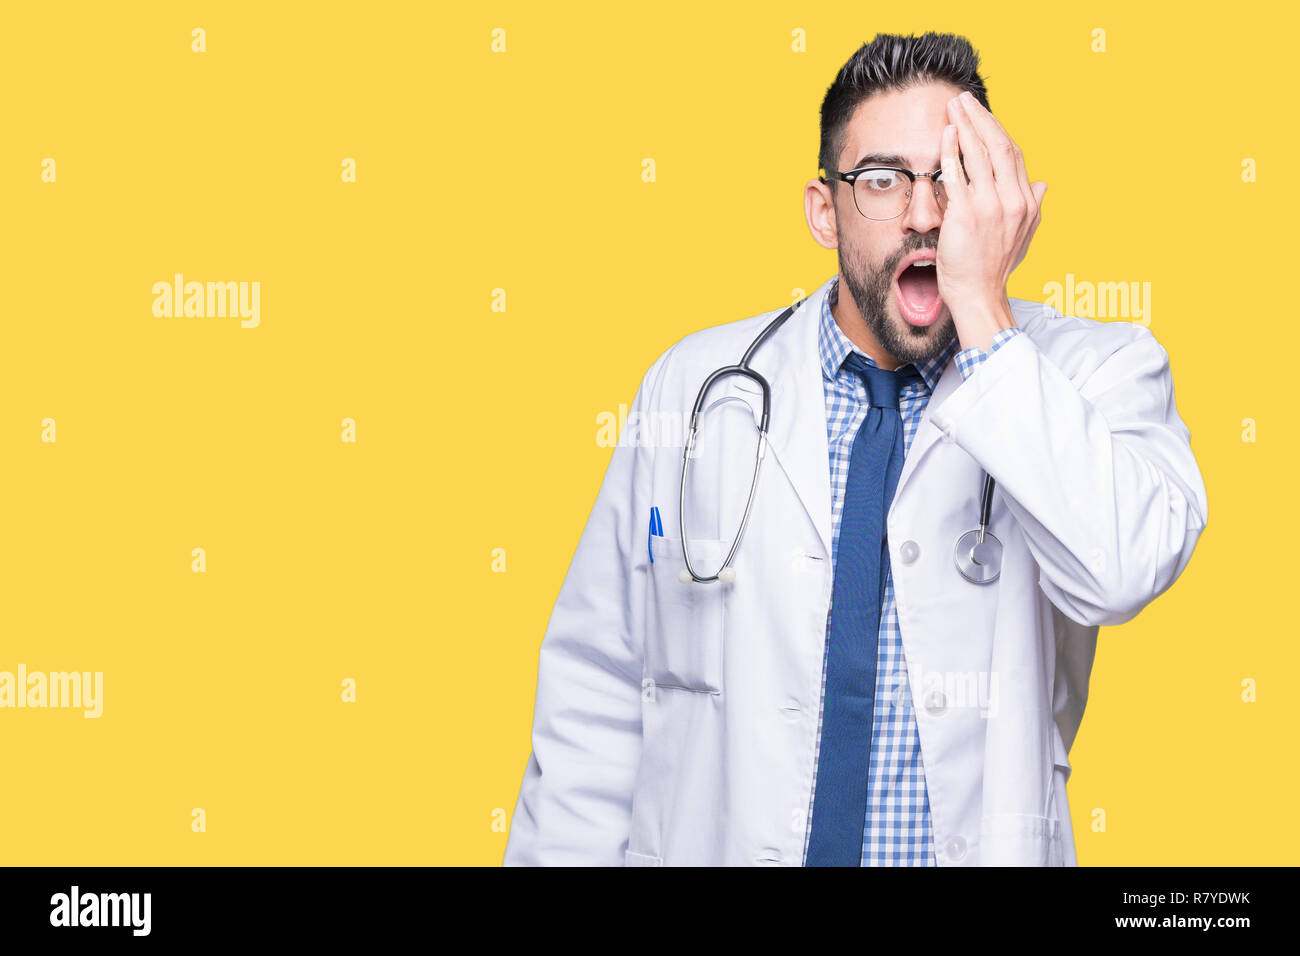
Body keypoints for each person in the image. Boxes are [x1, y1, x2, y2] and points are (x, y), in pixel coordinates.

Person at [503, 31, 1208, 866]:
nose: (921, 213)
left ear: (1001, 199)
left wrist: (983, 310)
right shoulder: (697, 388)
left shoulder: (1092, 374)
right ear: (822, 209)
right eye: (882, 180)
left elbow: (1121, 569)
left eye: (953, 179)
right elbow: (598, 694)